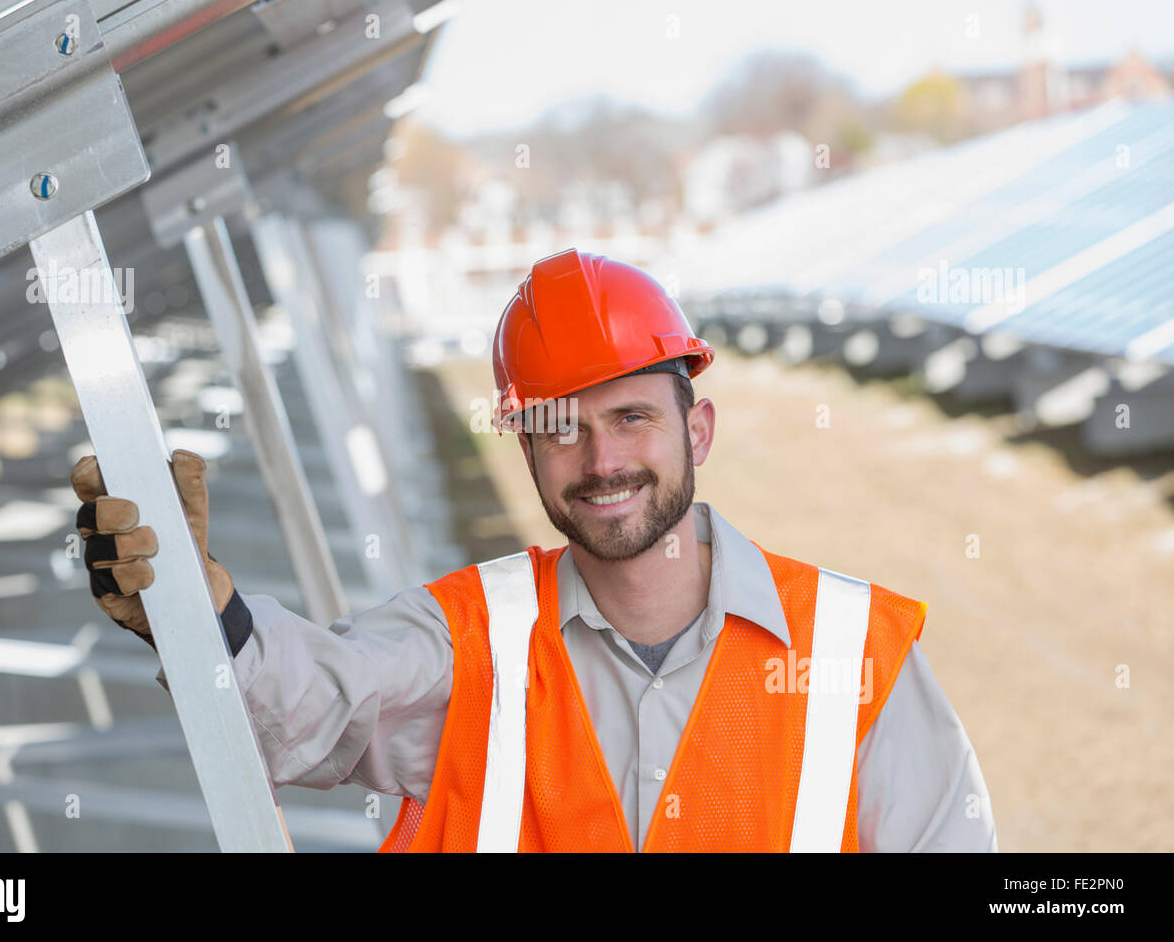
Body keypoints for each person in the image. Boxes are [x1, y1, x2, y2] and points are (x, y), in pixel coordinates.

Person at [71, 248, 998, 852]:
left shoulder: (851, 655)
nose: (602, 461)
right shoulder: (469, 637)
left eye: (633, 417)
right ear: (526, 449)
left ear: (698, 430)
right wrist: (200, 614)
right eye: (564, 431)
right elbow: (318, 697)